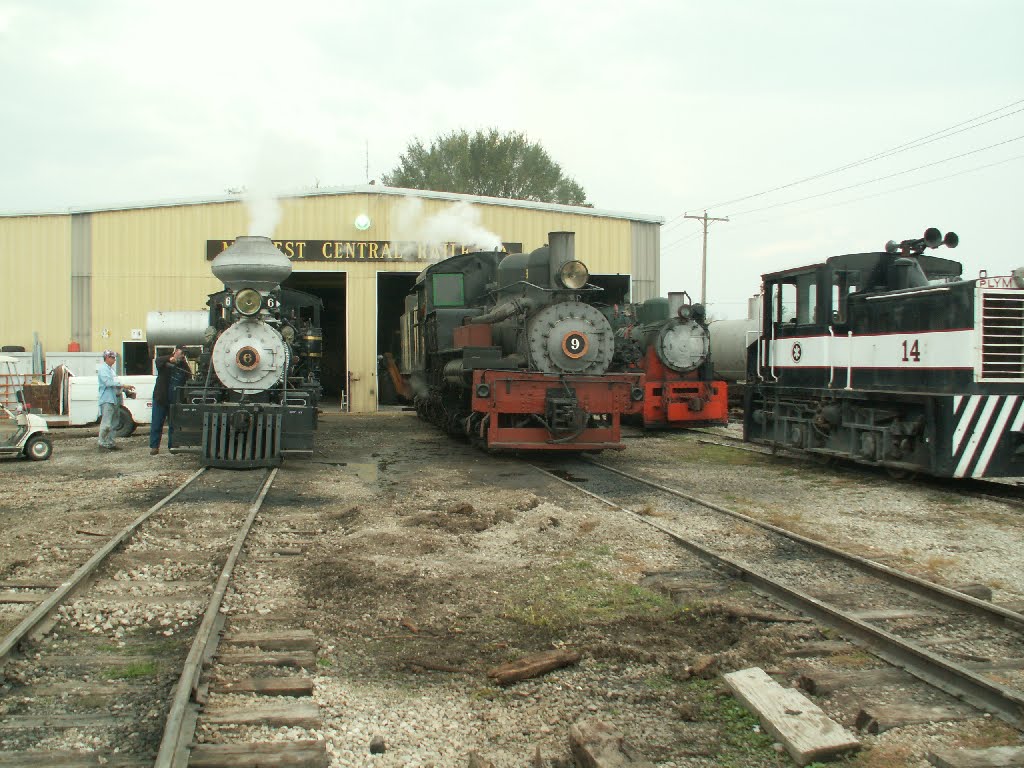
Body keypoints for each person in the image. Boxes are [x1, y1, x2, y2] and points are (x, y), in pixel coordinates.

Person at [150, 345, 191, 455]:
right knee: (157, 423)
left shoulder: (183, 365)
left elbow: (189, 377)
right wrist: (169, 360)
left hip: (174, 400)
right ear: (176, 351)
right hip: (161, 398)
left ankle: (173, 446)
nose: (183, 356)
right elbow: (158, 361)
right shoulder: (164, 361)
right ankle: (154, 447)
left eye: (184, 354)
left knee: (174, 424)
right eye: (182, 353)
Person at [97, 350, 134, 451]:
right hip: (107, 400)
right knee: (106, 423)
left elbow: (115, 383)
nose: (114, 359)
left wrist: (125, 390)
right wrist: (123, 385)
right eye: (112, 357)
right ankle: (102, 443)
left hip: (115, 399)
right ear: (107, 358)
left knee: (114, 423)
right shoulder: (103, 370)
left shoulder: (111, 370)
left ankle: (110, 443)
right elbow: (108, 383)